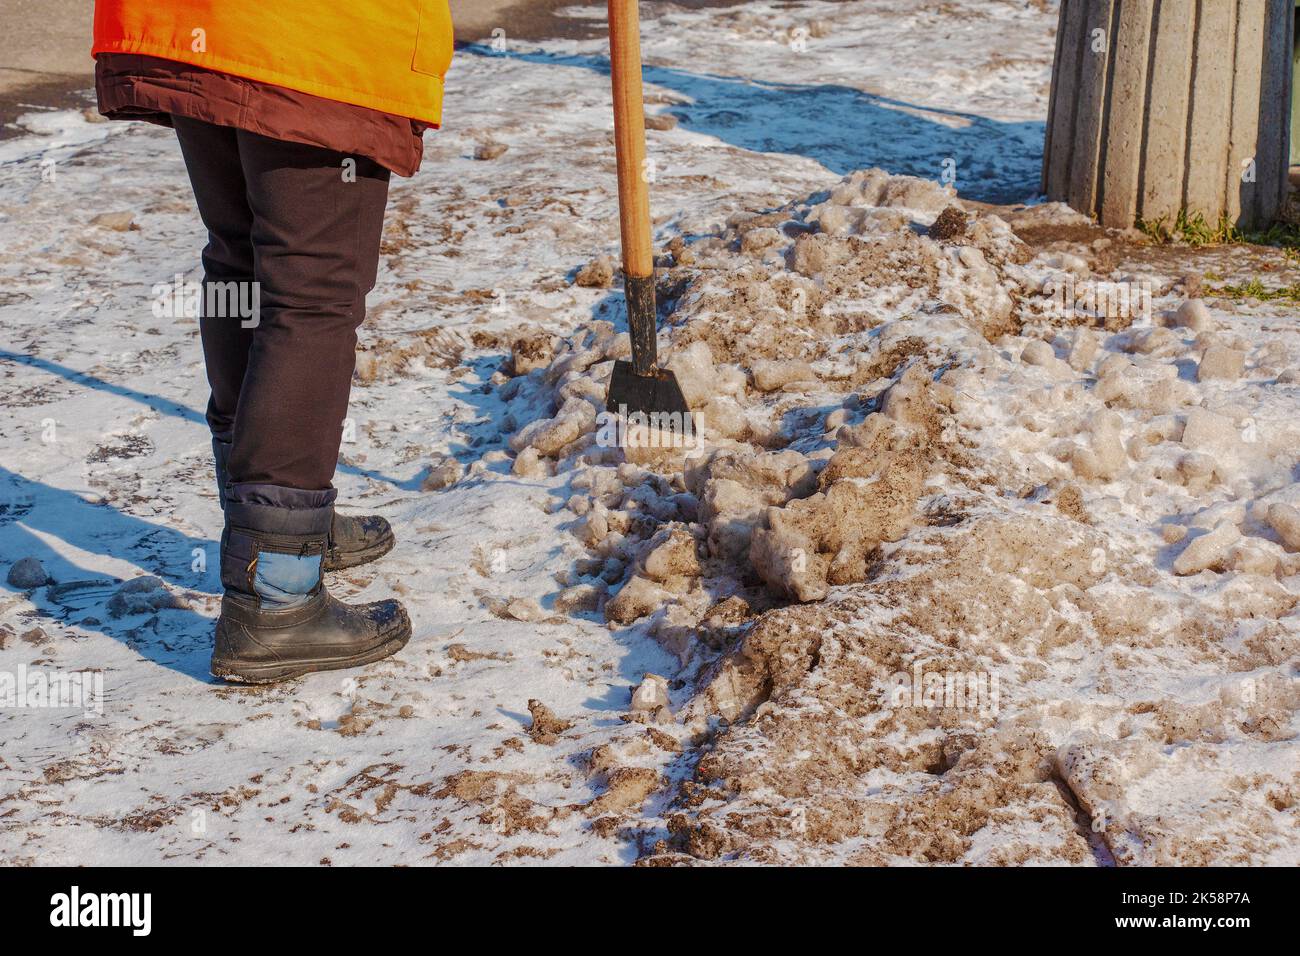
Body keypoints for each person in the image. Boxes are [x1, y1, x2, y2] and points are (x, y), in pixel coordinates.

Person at [91, 1, 454, 683]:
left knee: (244, 263)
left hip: (205, 22)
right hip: (311, 37)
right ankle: (276, 599)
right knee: (309, 293)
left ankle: (277, 528)